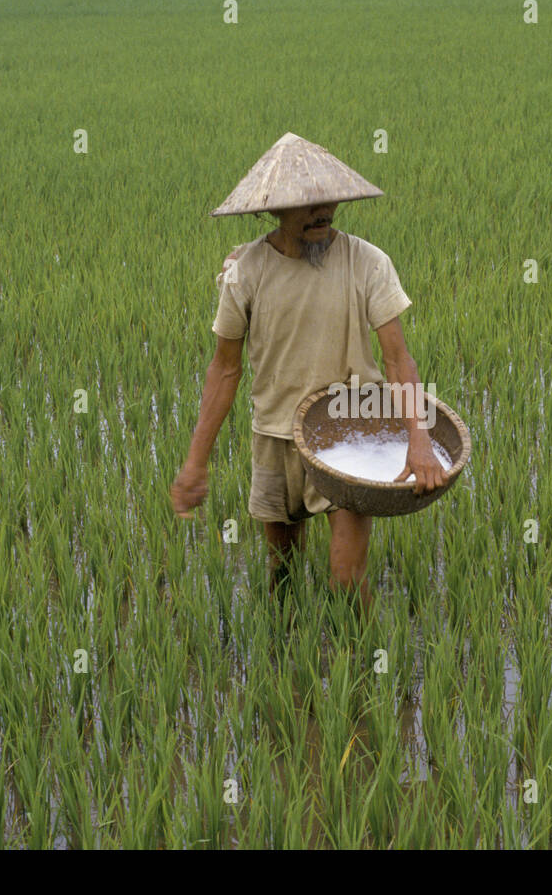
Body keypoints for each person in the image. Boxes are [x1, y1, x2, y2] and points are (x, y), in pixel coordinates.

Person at [170, 133, 447, 612]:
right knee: (282, 573)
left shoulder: (367, 262)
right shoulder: (245, 271)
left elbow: (398, 360)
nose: (324, 211)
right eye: (307, 203)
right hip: (275, 435)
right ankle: (287, 663)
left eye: (329, 199)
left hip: (350, 435)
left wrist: (417, 440)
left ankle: (358, 673)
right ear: (273, 210)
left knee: (346, 580)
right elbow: (224, 369)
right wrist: (196, 462)